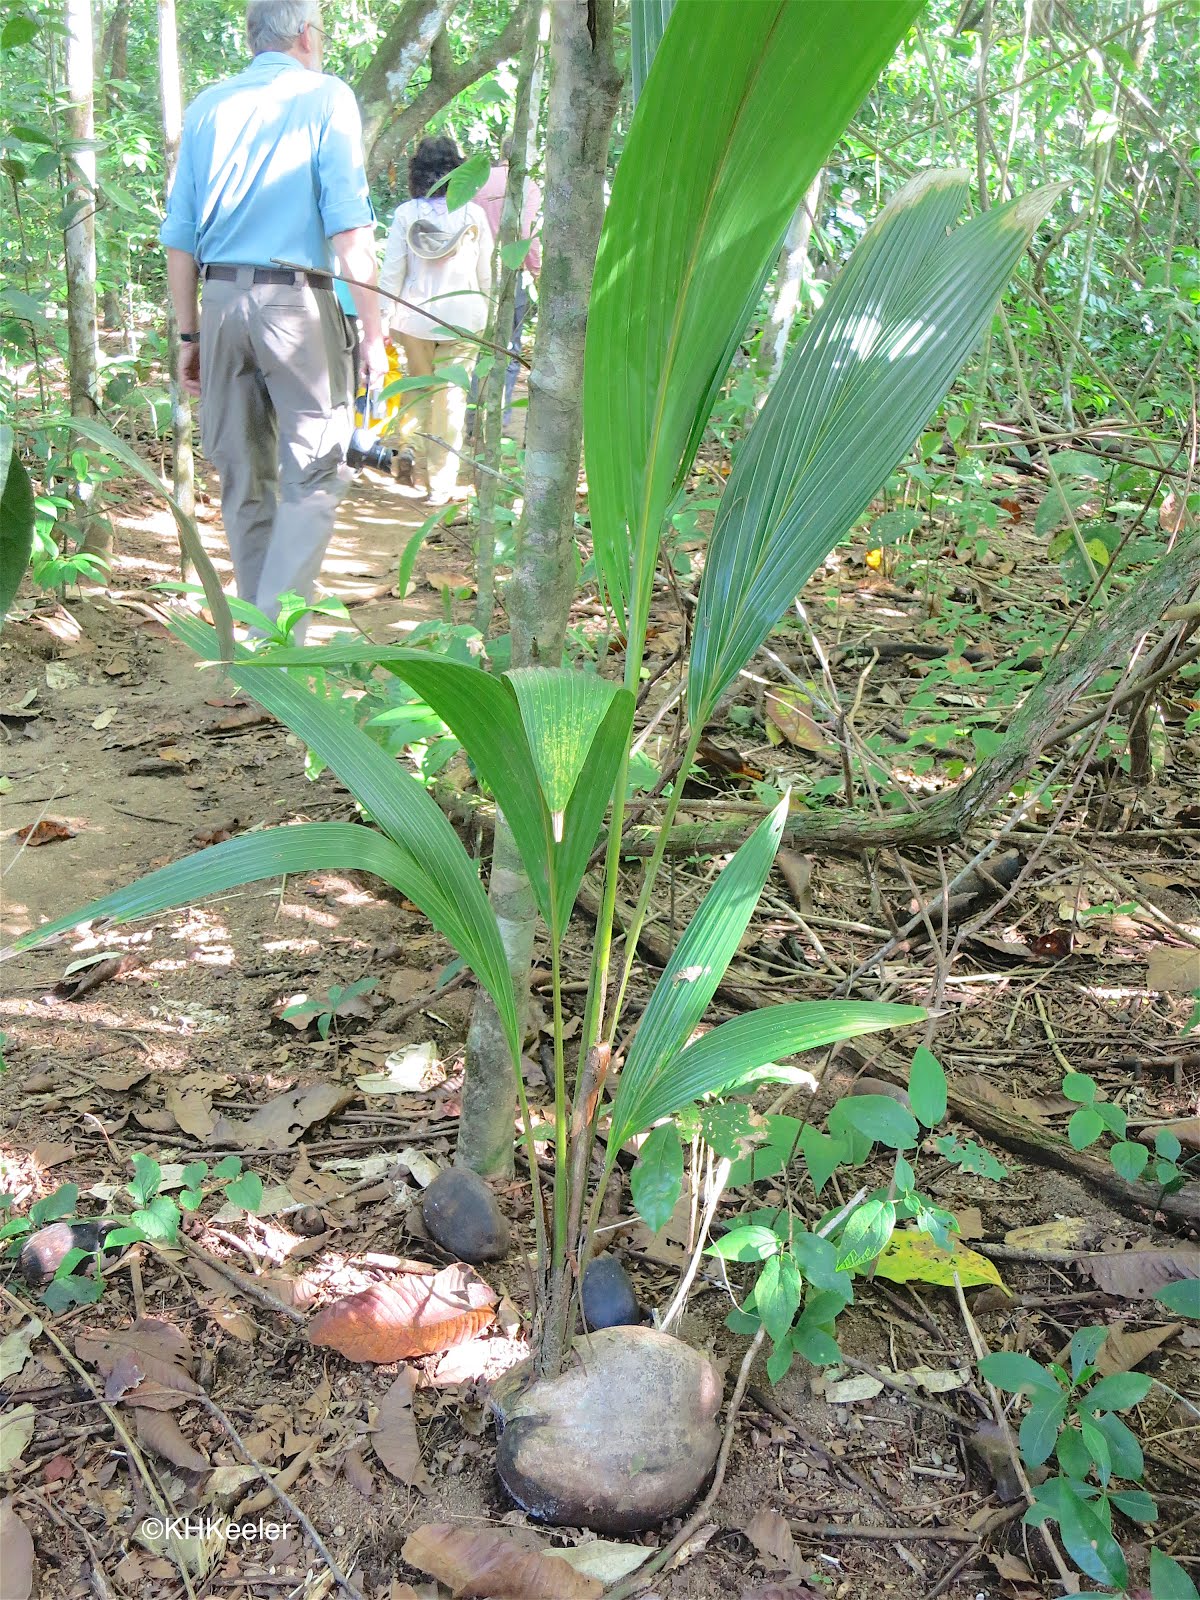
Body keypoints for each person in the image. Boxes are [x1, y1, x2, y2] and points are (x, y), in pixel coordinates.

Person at [160, 0, 384, 637]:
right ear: (307, 36)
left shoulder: (207, 107)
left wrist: (189, 334)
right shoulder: (326, 97)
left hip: (221, 298)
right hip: (297, 304)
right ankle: (271, 641)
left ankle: (260, 635)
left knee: (242, 472)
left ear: (251, 39)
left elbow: (180, 236)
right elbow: (348, 228)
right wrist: (372, 331)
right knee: (315, 470)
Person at [379, 136, 492, 507]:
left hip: (416, 318)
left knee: (417, 387)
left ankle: (408, 447)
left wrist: (383, 318)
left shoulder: (407, 214)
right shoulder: (473, 215)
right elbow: (485, 272)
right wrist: (486, 311)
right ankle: (440, 486)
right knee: (451, 400)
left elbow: (392, 272)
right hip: (464, 319)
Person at [474, 139, 541, 423]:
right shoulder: (528, 187)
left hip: (477, 272)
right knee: (509, 348)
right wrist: (537, 270)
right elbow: (527, 234)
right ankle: (497, 419)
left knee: (480, 345)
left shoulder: (481, 180)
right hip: (510, 272)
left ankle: (472, 417)